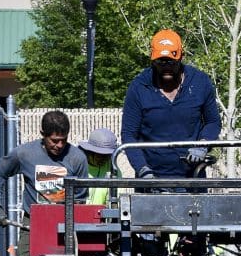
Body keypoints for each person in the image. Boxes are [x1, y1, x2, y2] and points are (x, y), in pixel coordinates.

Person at [0, 110, 88, 256]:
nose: (59, 146)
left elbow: (81, 196)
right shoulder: (25, 154)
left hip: (65, 224)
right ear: (43, 134)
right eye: (54, 140)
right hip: (33, 223)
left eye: (63, 140)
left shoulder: (77, 158)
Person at [121, 29, 221, 180]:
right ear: (152, 60)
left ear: (181, 57)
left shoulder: (200, 82)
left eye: (171, 62)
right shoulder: (139, 87)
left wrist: (203, 143)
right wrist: (142, 169)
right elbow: (129, 134)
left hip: (193, 178)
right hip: (150, 179)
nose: (166, 66)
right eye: (161, 62)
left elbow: (213, 122)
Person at [78, 127, 119, 205]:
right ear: (90, 151)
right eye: (100, 155)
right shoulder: (77, 165)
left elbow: (117, 199)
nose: (104, 158)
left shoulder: (113, 168)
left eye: (108, 155)